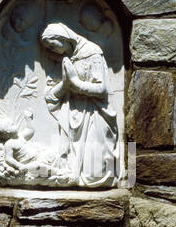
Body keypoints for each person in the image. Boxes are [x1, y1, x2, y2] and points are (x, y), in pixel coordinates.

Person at [40, 22, 118, 187]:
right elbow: (56, 91)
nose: (50, 50)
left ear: (64, 38)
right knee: (70, 164)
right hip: (73, 115)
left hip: (94, 115)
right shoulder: (68, 58)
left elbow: (101, 89)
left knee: (94, 175)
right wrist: (65, 85)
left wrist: (75, 83)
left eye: (52, 45)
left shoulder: (93, 52)